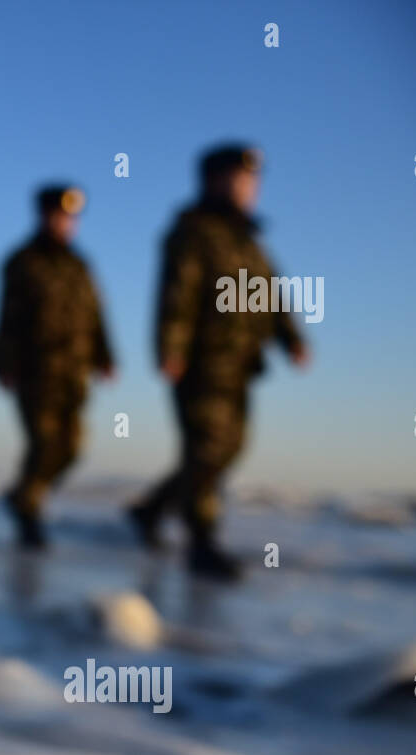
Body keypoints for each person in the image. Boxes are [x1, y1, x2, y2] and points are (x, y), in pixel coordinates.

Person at [128, 144, 309, 580]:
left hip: (241, 365)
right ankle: (202, 544)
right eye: (238, 178)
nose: (248, 187)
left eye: (252, 180)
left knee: (227, 448)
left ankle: (150, 509)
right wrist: (171, 349)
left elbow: (270, 294)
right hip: (200, 361)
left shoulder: (248, 242)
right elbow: (177, 294)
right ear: (212, 181)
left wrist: (291, 338)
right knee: (206, 448)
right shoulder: (193, 231)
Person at [0, 184, 115, 548]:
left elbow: (95, 314)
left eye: (71, 217)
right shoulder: (22, 262)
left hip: (73, 375)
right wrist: (7, 364)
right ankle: (29, 514)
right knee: (43, 443)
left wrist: (105, 355)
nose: (65, 223)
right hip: (36, 371)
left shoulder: (80, 266)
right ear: (43, 216)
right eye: (58, 215)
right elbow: (9, 319)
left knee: (71, 447)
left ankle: (22, 495)